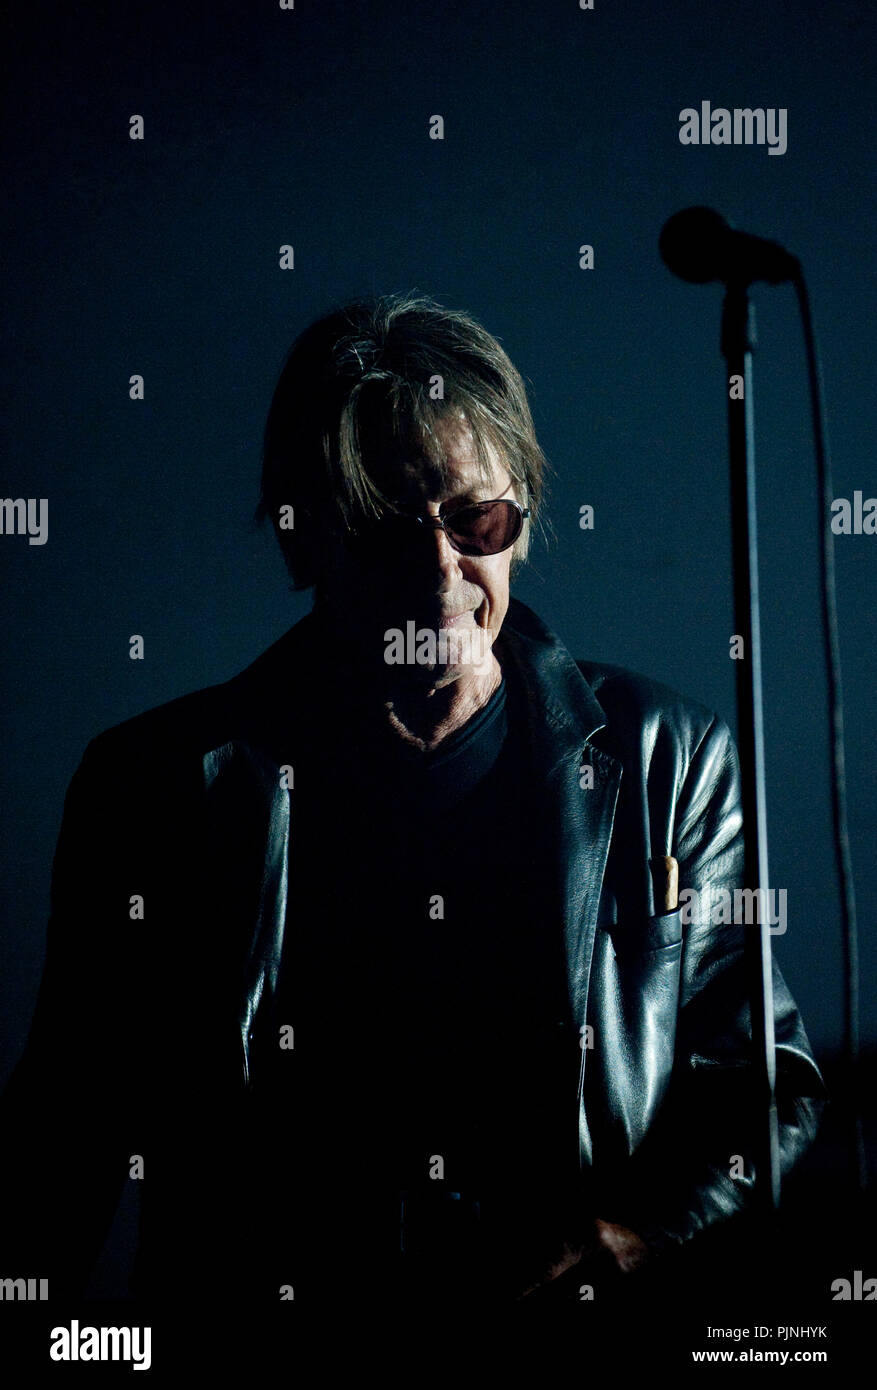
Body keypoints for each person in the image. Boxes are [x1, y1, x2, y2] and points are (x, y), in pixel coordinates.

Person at [0, 293, 825, 1311]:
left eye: (474, 517)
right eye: (384, 528)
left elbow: (764, 1086)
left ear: (521, 519)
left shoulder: (671, 759)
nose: (441, 569)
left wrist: (634, 1235)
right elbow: (66, 1132)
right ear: (306, 545)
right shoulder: (155, 788)